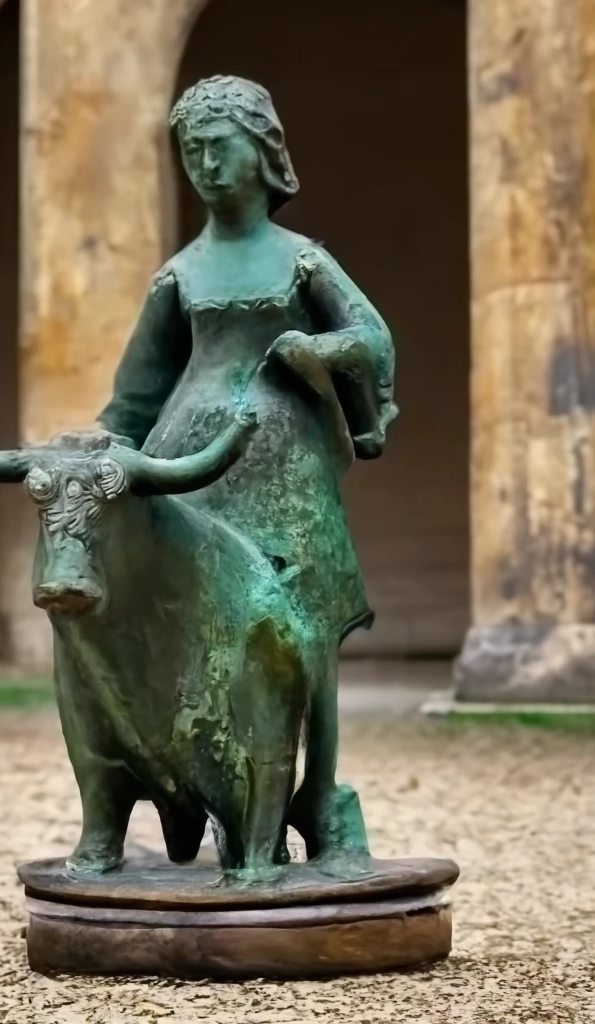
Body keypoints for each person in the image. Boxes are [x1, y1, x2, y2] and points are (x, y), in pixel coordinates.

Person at [87, 75, 398, 859]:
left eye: (219, 149)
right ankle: (198, 781)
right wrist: (108, 454)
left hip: (285, 465)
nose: (206, 167)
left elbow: (374, 338)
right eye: (191, 153)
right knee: (190, 621)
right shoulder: (181, 274)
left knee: (305, 626)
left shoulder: (300, 262)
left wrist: (317, 348)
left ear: (262, 153)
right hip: (190, 464)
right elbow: (134, 395)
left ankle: (319, 797)